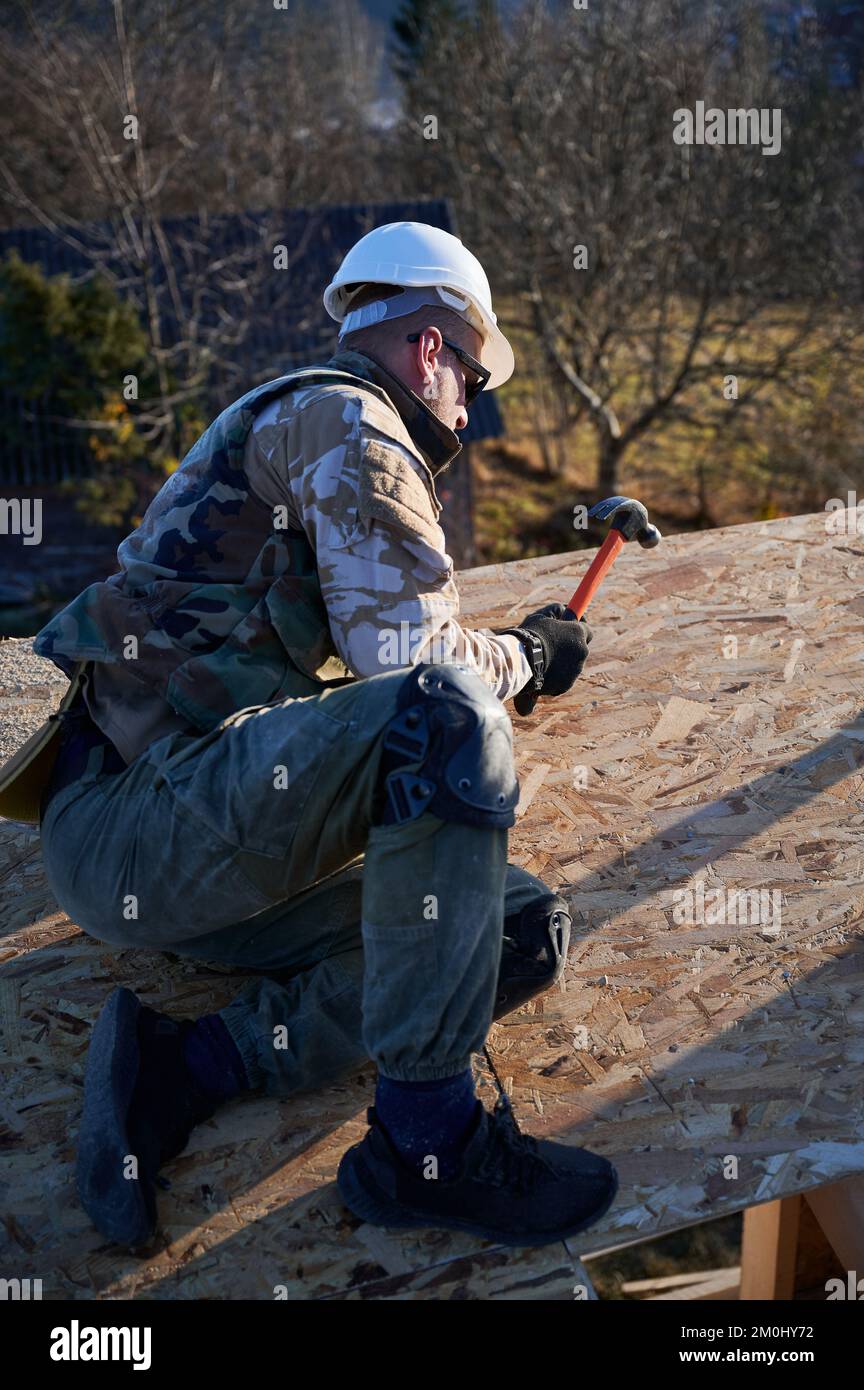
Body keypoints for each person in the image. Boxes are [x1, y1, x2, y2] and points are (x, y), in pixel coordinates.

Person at [34, 221, 617, 1251]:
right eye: (472, 382)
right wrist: (524, 657)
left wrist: (514, 655)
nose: (469, 413)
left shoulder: (313, 422)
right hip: (142, 824)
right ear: (432, 348)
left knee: (514, 929)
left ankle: (188, 1062)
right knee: (449, 716)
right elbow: (416, 671)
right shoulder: (351, 421)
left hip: (205, 852)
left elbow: (386, 643)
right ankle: (424, 1145)